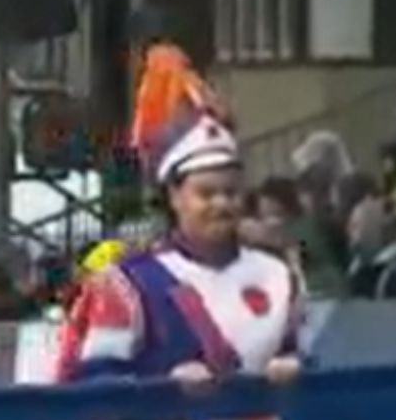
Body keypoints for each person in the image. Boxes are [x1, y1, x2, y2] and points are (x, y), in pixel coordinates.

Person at [56, 111, 302, 387]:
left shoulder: (277, 274)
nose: (221, 204)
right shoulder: (129, 283)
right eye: (206, 194)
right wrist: (163, 384)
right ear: (174, 197)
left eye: (231, 193)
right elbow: (95, 382)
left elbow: (302, 356)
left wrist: (296, 368)